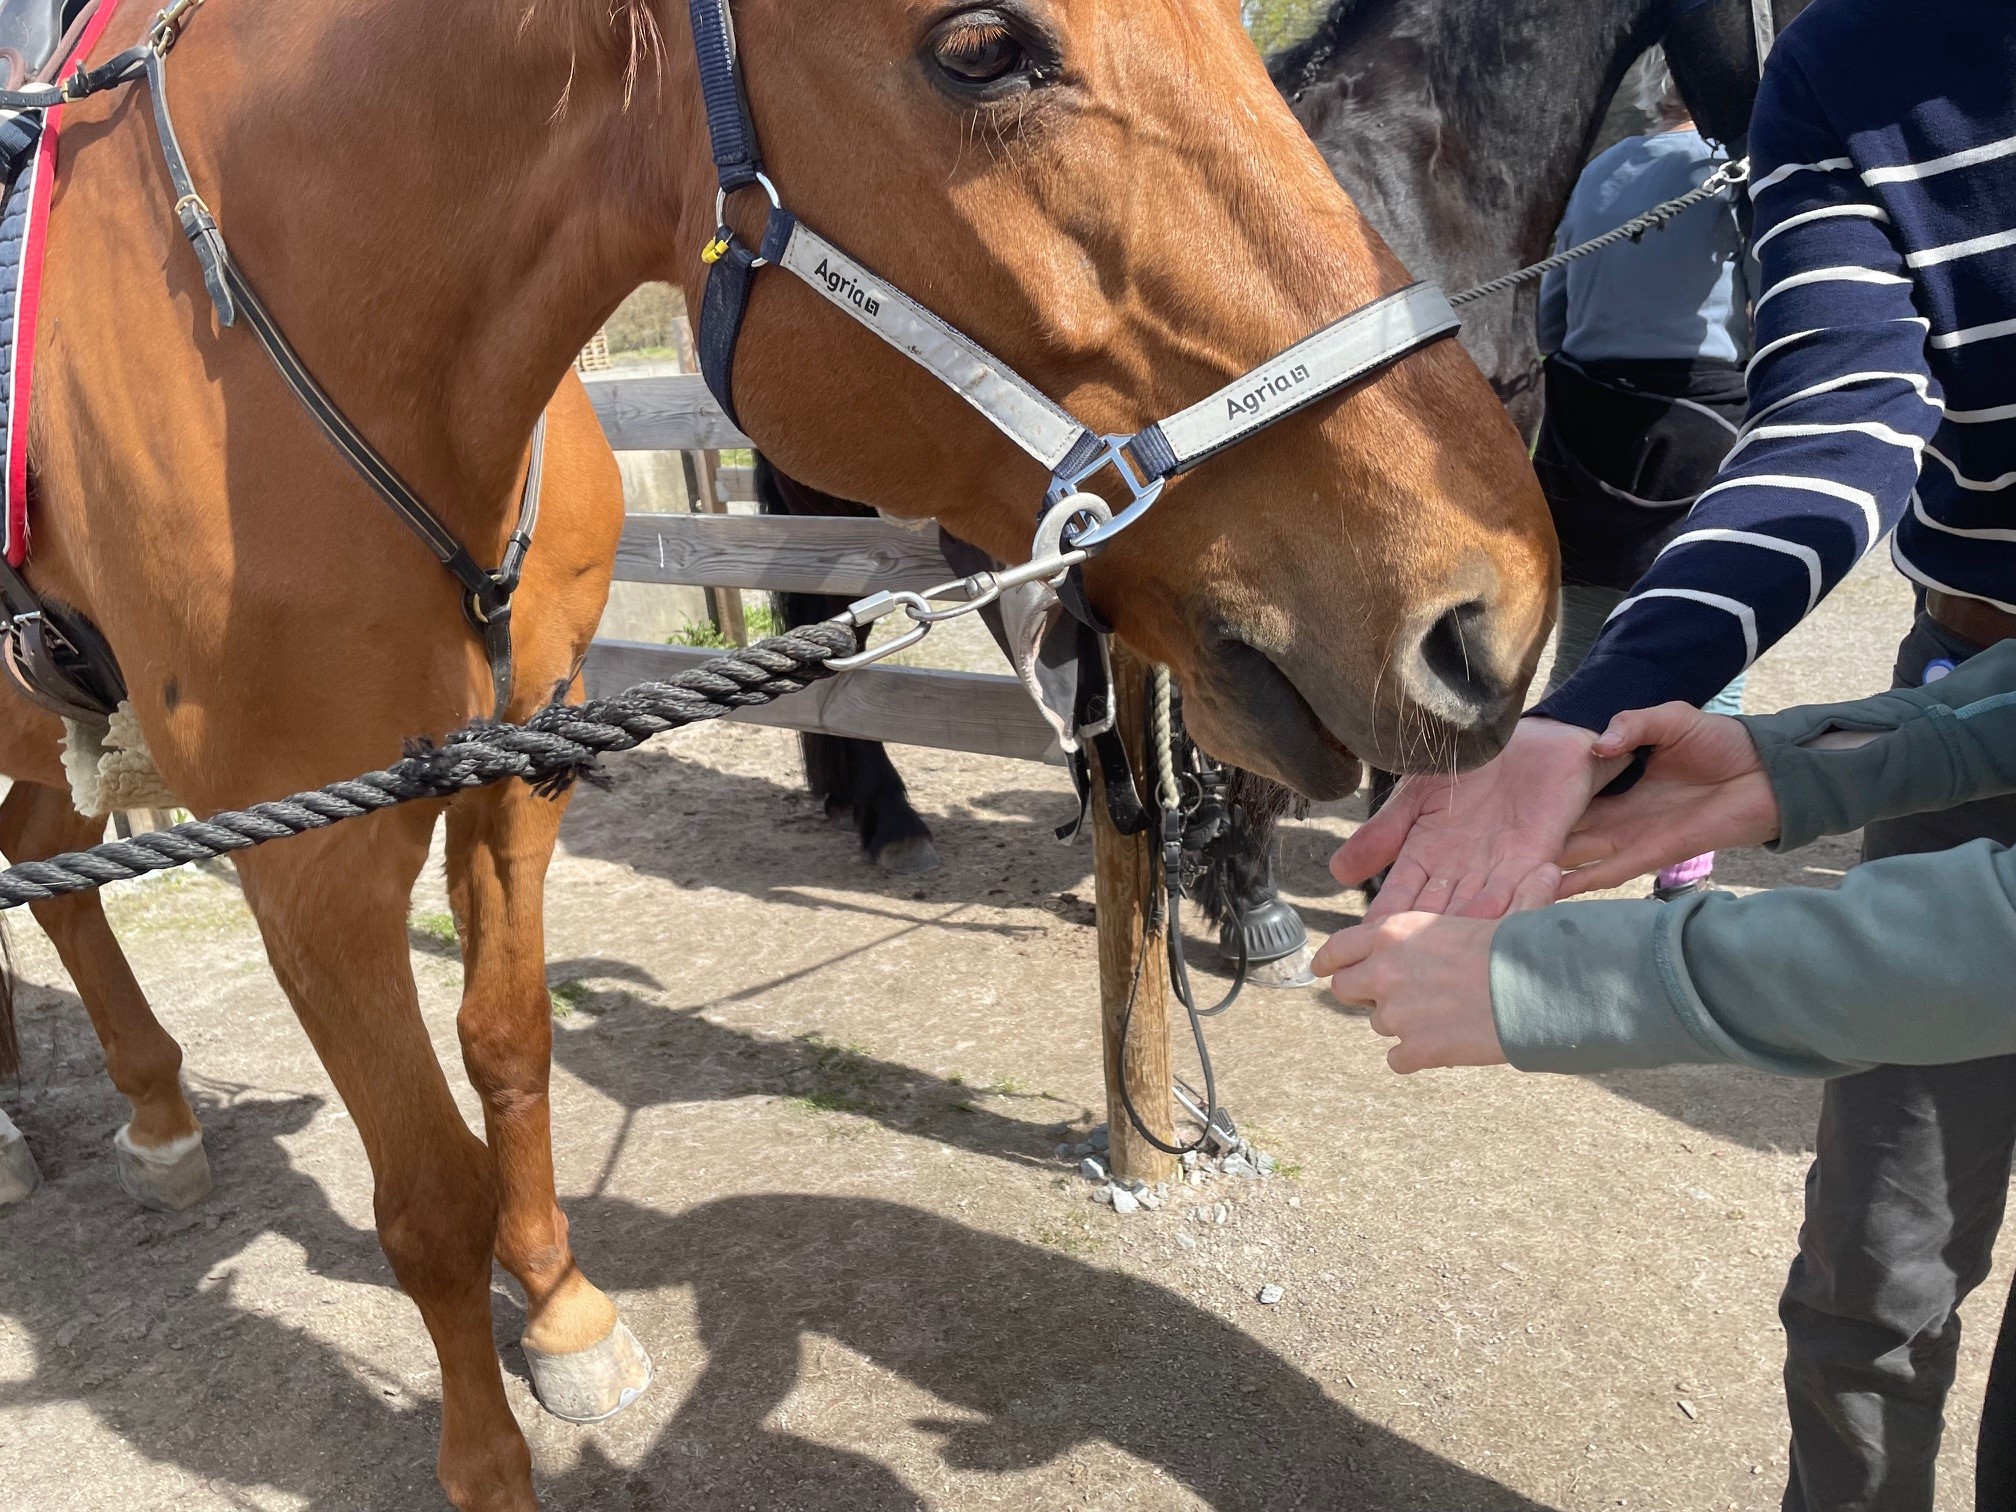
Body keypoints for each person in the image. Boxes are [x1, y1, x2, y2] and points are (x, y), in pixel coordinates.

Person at [1322, 2, 2016, 1507]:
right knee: (1876, 1257)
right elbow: (1836, 413)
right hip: (1972, 680)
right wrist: (1609, 717)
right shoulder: (1854, 58)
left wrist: (1564, 985)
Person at [1533, 50, 1751, 898]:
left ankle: (1550, 828)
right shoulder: (1738, 175)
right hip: (1705, 416)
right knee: (1714, 636)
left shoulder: (1602, 171)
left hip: (1584, 419)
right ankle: (1682, 865)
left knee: (1583, 650)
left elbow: (1552, 311)